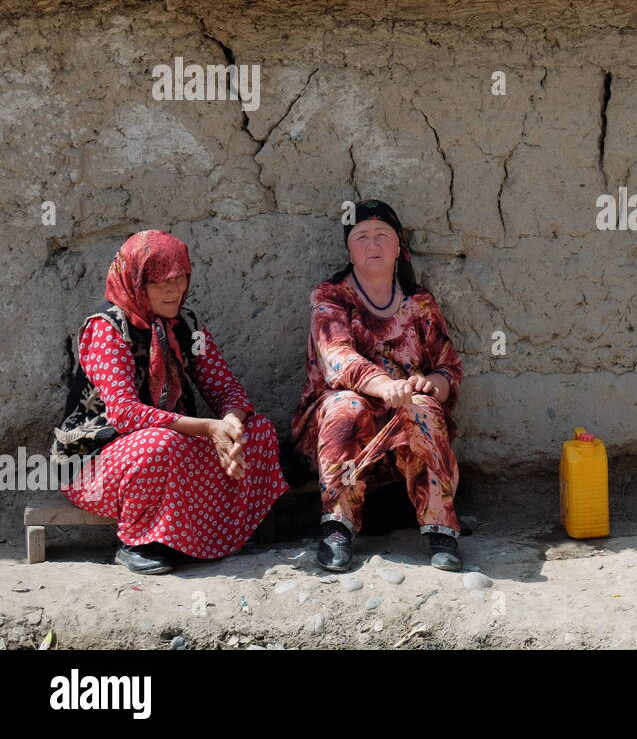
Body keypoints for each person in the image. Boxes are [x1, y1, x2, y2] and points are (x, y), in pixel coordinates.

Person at [56, 230, 288, 574]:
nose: (174, 291)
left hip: (176, 446)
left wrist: (232, 421)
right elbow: (125, 414)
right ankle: (139, 542)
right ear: (136, 281)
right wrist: (209, 427)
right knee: (160, 444)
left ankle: (227, 531)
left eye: (180, 280)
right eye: (161, 282)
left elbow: (225, 388)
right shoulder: (107, 329)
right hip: (97, 463)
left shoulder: (187, 327)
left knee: (260, 431)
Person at [291, 199, 466, 572]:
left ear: (399, 246)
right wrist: (386, 386)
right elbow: (337, 358)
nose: (373, 245)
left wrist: (430, 384)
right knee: (347, 408)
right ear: (349, 248)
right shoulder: (331, 297)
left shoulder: (419, 303)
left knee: (423, 408)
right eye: (362, 237)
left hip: (402, 420)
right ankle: (338, 528)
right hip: (341, 422)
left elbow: (448, 366)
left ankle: (441, 531)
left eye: (382, 236)